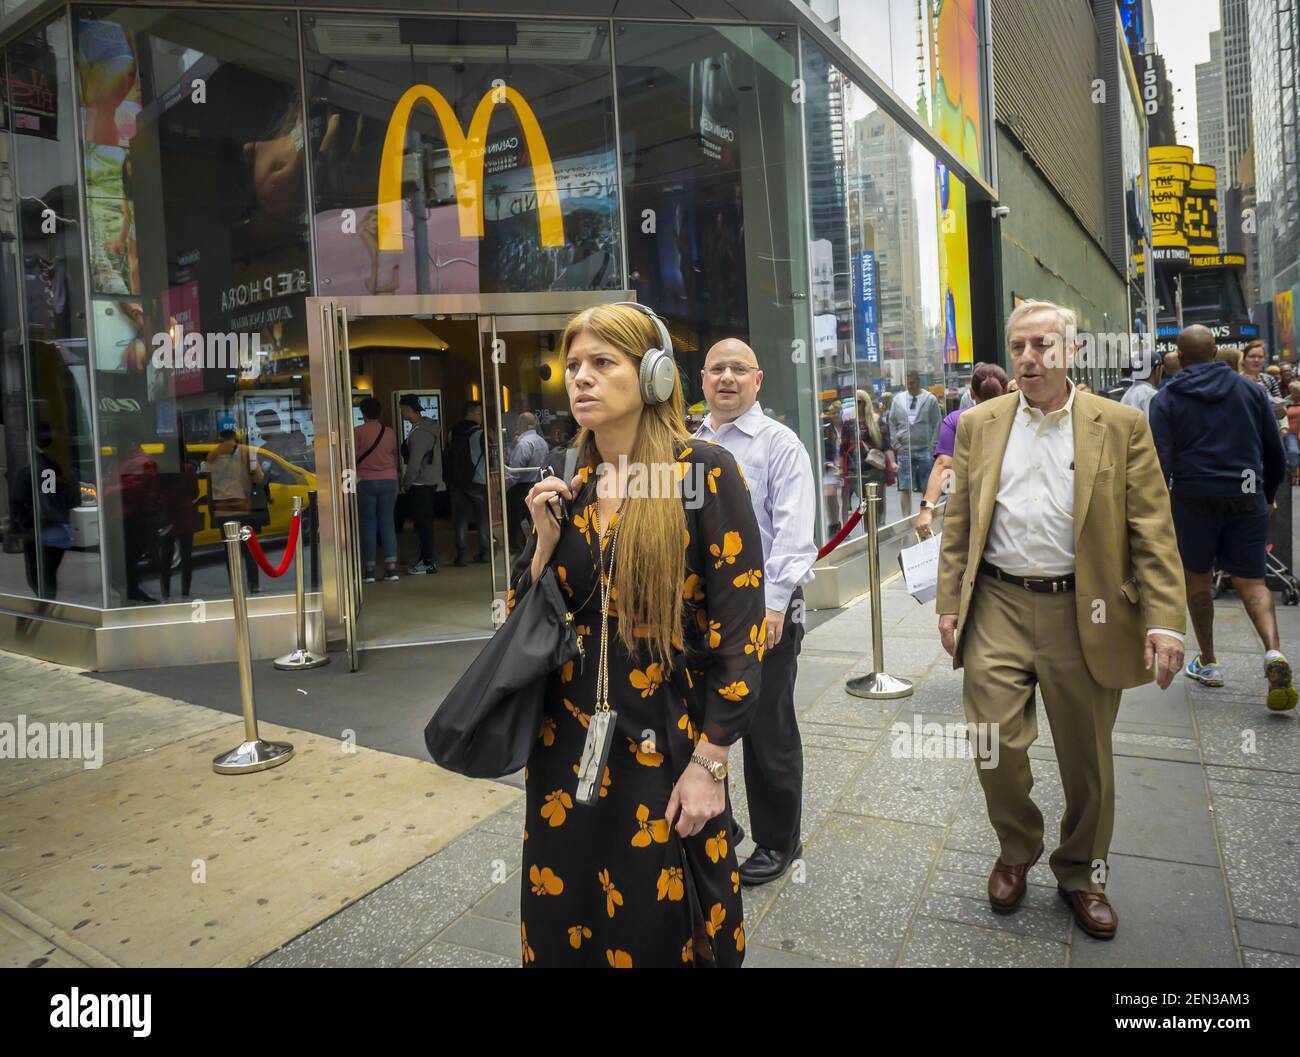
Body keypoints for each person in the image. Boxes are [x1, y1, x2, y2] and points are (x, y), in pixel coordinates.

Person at [514, 302, 765, 967]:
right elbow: (524, 622)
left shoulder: (703, 472)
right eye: (573, 366)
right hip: (565, 746)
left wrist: (712, 761)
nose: (581, 379)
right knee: (567, 912)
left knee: (659, 924)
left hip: (665, 743)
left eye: (602, 362)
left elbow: (740, 631)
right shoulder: (576, 485)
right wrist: (542, 547)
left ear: (653, 375)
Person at [937, 298, 1187, 941]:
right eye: (1019, 346)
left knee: (1087, 760)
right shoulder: (979, 424)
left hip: (1088, 608)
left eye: (1044, 345)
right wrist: (947, 603)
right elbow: (959, 523)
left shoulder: (1121, 424)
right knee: (992, 740)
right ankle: (1016, 849)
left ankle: (1082, 872)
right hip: (998, 603)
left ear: (1072, 351)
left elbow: (1153, 530)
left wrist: (1165, 620)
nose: (1029, 358)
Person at [695, 337, 818, 886]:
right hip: (704, 614)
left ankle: (778, 842)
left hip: (764, 614)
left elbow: (794, 536)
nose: (727, 378)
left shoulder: (780, 445)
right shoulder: (687, 442)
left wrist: (772, 607)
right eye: (717, 369)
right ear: (701, 380)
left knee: (767, 732)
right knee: (700, 725)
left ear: (758, 379)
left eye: (738, 369)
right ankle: (723, 828)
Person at [1149, 325, 1295, 711]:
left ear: (1179, 356)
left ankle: (1209, 662)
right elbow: (1273, 451)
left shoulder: (1166, 398)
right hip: (1245, 494)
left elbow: (1159, 463)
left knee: (1197, 580)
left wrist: (1159, 511)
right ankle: (1273, 652)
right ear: (1215, 351)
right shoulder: (1250, 390)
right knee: (1253, 582)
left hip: (1192, 499)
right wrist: (1266, 496)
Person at [914, 363, 1008, 540]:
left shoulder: (957, 420)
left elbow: (944, 466)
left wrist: (927, 509)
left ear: (971, 393)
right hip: (1011, 512)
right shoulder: (1019, 418)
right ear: (1006, 390)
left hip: (969, 512)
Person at [201, 430, 267, 595]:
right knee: (250, 549)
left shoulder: (211, 455)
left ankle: (236, 587)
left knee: (230, 551)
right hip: (242, 507)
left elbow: (208, 484)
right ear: (235, 437)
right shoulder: (247, 451)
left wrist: (212, 511)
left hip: (222, 510)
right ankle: (254, 585)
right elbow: (259, 478)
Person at [353, 397, 400, 583]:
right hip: (389, 480)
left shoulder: (357, 432)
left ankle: (370, 569)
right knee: (387, 522)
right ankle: (391, 568)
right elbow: (394, 455)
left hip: (365, 481)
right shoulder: (389, 432)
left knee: (368, 524)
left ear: (362, 414)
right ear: (380, 413)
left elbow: (353, 457)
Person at [887, 370, 942, 517]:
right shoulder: (898, 400)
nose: (911, 386)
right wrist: (896, 444)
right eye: (908, 383)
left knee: (927, 486)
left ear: (919, 381)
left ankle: (927, 515)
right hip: (905, 449)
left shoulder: (929, 399)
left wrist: (932, 446)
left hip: (924, 449)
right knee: (904, 486)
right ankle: (906, 518)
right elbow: (891, 422)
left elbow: (937, 423)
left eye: (913, 383)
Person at [398, 394, 442, 575]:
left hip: (420, 483)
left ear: (408, 409)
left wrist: (406, 482)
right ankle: (427, 558)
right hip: (430, 481)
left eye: (402, 409)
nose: (401, 413)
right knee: (425, 523)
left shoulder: (419, 434)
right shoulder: (428, 428)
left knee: (422, 524)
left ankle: (427, 561)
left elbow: (414, 462)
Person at [445, 401, 490, 565]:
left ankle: (462, 555)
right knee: (482, 519)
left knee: (461, 520)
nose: (481, 417)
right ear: (475, 412)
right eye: (480, 413)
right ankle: (485, 552)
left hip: (458, 481)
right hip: (478, 479)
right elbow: (489, 456)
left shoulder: (453, 432)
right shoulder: (480, 434)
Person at [842, 389, 888, 527]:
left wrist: (891, 463)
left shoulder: (876, 420)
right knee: (865, 505)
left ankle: (878, 528)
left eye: (859, 402)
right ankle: (869, 533)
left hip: (874, 468)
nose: (857, 405)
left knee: (877, 503)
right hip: (856, 469)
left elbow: (886, 445)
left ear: (866, 403)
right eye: (855, 402)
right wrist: (841, 468)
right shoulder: (849, 423)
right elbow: (842, 448)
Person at [505, 411, 549, 551]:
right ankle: (536, 543)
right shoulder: (542, 441)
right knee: (534, 518)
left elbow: (515, 470)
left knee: (515, 519)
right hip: (538, 483)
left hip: (521, 486)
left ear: (520, 424)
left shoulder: (523, 443)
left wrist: (506, 485)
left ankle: (518, 546)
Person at [1287, 381, 1300, 486]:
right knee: (1293, 452)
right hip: (1290, 431)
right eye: (1296, 392)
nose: (1298, 394)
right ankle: (1294, 471)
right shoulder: (1286, 401)